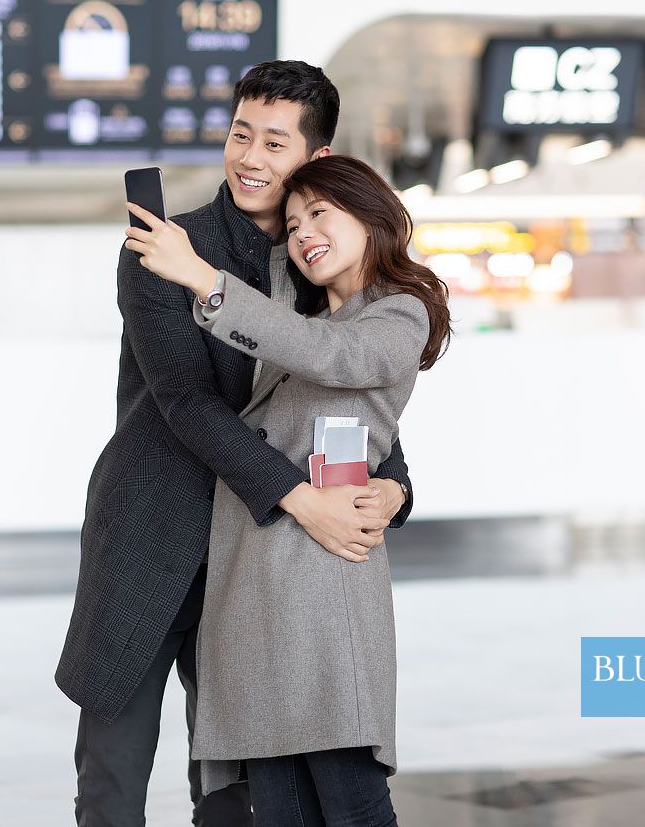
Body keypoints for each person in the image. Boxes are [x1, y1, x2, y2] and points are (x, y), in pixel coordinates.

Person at [55, 62, 417, 827]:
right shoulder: (164, 246)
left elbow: (348, 378)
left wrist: (395, 481)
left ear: (314, 158)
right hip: (152, 532)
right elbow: (187, 400)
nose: (249, 157)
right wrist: (301, 499)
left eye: (273, 142)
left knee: (234, 789)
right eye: (239, 134)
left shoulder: (316, 253)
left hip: (254, 559)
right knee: (112, 778)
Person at [125, 154, 452, 826]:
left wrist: (202, 278)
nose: (302, 233)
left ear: (370, 215)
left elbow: (335, 357)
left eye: (320, 214)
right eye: (293, 222)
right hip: (253, 582)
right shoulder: (292, 309)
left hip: (322, 586)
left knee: (350, 798)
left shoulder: (397, 313)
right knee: (279, 806)